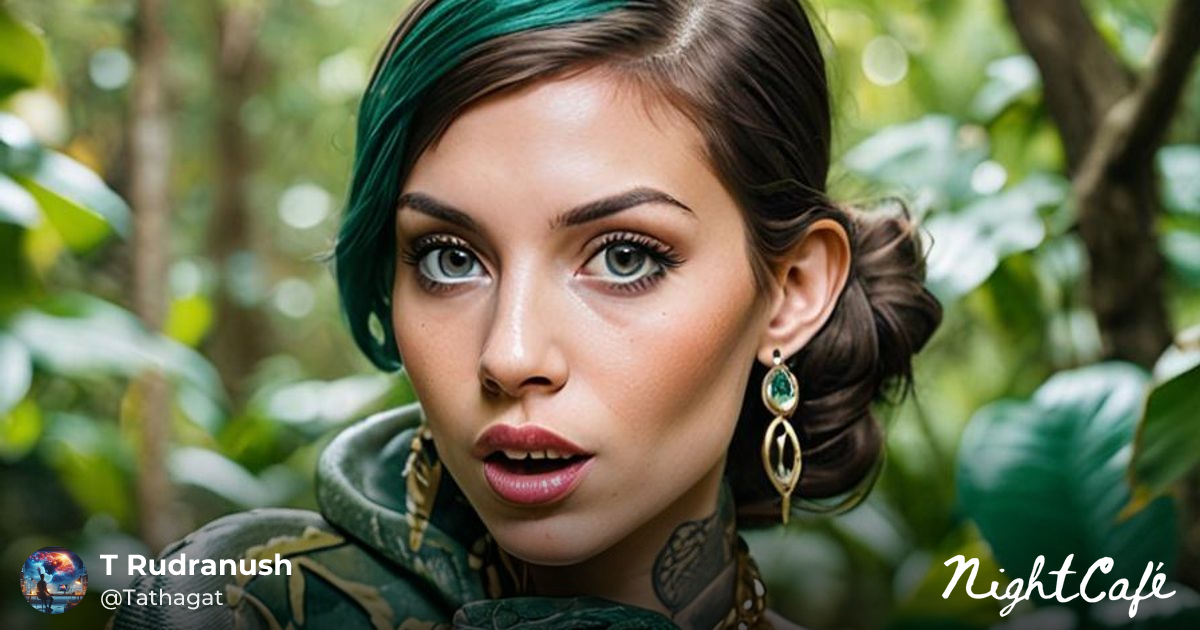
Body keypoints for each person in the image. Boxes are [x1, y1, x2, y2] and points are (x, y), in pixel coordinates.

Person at [112, 0, 940, 628]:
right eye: (449, 257)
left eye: (623, 257)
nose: (509, 357)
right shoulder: (238, 604)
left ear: (792, 291)